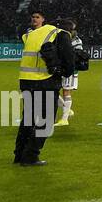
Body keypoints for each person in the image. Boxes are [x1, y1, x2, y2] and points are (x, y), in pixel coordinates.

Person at [14, 9, 74, 166]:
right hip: (45, 81)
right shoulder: (60, 34)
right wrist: (66, 70)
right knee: (46, 122)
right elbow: (68, 63)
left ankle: (19, 154)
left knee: (28, 119)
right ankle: (30, 156)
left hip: (26, 80)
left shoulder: (31, 34)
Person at [55, 18, 83, 126]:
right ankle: (67, 110)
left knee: (66, 92)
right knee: (53, 91)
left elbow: (78, 55)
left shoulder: (76, 40)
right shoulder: (60, 38)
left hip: (69, 69)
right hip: (59, 68)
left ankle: (64, 119)